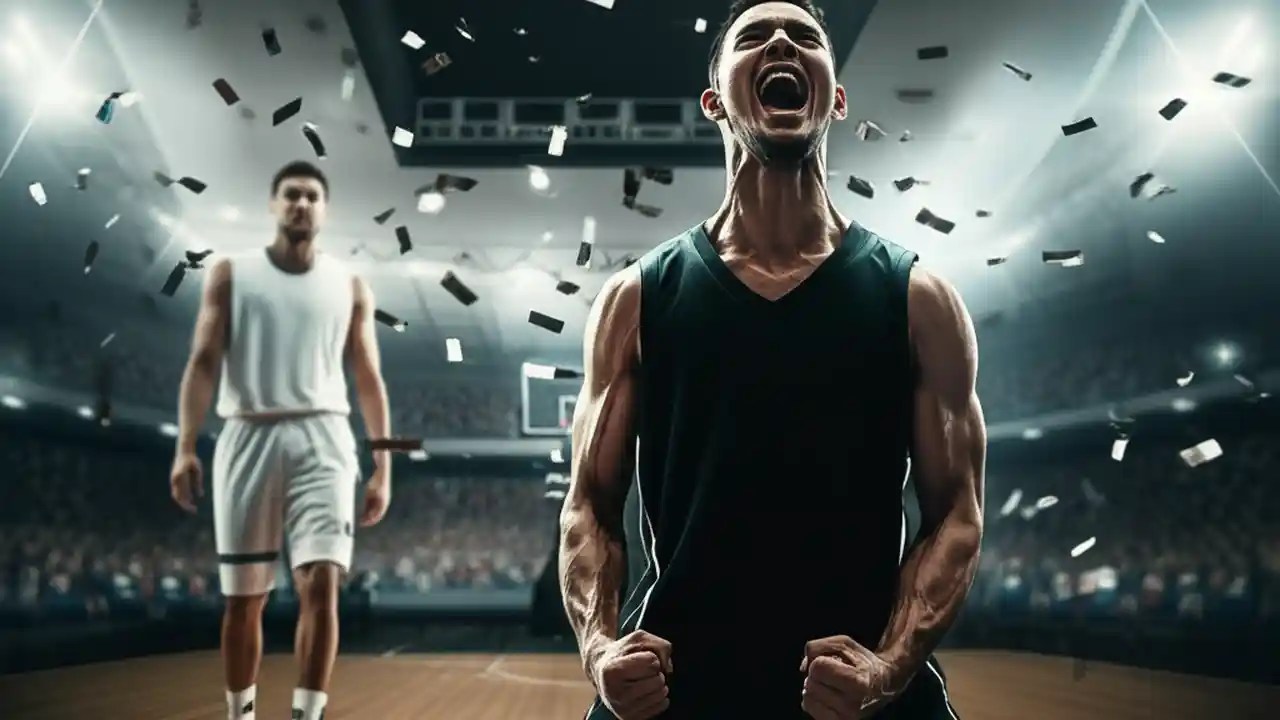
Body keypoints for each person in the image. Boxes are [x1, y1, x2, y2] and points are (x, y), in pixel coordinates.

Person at [558, 2, 986, 718]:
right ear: (714, 102)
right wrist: (600, 648)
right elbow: (590, 506)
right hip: (676, 686)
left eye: (805, 36)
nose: (782, 41)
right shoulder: (636, 299)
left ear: (836, 99)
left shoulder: (920, 300)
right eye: (754, 36)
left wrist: (887, 668)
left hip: (864, 691)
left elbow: (956, 515)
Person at [169, 160, 393, 720]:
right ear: (273, 204)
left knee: (323, 582)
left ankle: (307, 714)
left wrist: (384, 466)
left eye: (312, 196)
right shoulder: (229, 273)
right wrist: (185, 446)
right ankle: (240, 713)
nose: (302, 204)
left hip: (326, 435)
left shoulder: (350, 285)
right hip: (248, 432)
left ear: (325, 210)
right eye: (292, 194)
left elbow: (369, 378)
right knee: (245, 597)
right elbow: (203, 362)